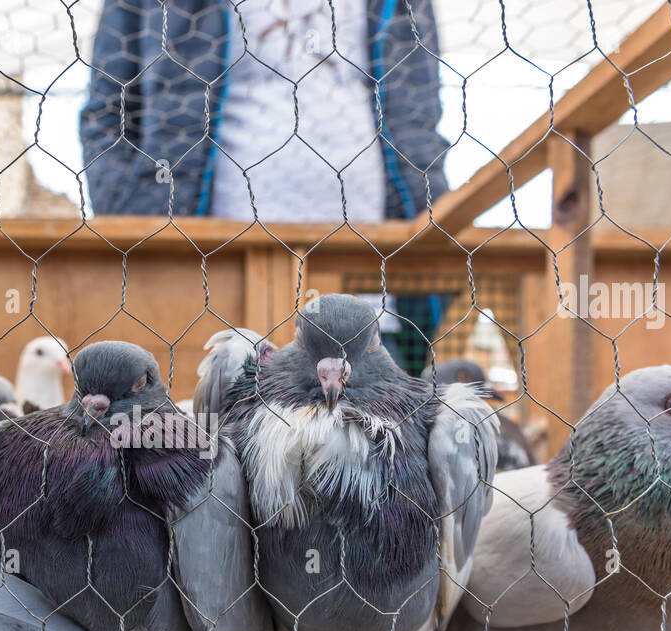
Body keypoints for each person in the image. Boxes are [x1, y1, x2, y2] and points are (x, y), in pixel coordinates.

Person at [79, 0, 449, 369]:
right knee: (206, 414)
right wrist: (127, 217)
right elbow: (108, 110)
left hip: (369, 273)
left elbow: (420, 115)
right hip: (203, 273)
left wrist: (428, 209)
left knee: (367, 417)